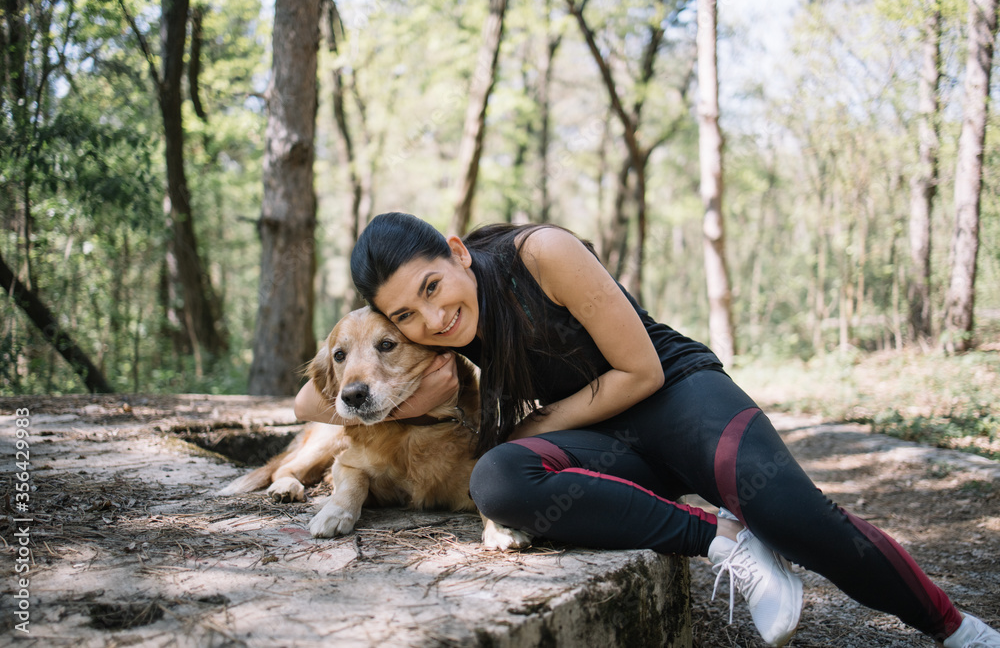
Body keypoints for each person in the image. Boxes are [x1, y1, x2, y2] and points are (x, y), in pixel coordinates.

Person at [295, 212, 1000, 648]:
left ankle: (955, 627)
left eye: (431, 287)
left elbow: (639, 374)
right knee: (499, 478)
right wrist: (406, 402)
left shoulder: (541, 253)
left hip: (680, 400)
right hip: (608, 443)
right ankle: (724, 540)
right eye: (408, 318)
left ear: (456, 251)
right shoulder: (436, 345)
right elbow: (309, 404)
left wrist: (534, 421)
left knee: (794, 514)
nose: (433, 318)